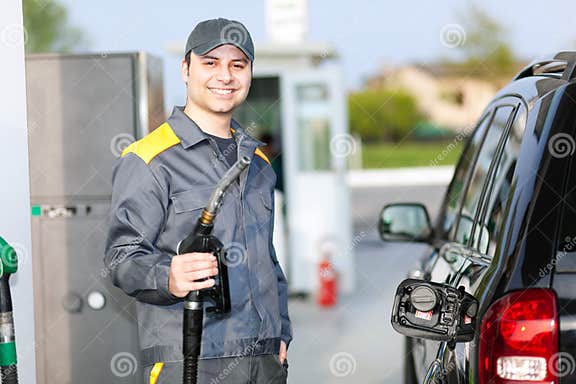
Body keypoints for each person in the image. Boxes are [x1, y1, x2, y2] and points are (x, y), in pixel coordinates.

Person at [104, 18, 292, 384]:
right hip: (189, 359)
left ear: (249, 75)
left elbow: (266, 258)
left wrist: (281, 332)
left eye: (237, 65)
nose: (225, 76)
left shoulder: (257, 163)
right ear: (186, 69)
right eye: (210, 63)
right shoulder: (149, 159)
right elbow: (121, 257)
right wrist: (167, 276)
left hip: (265, 359)